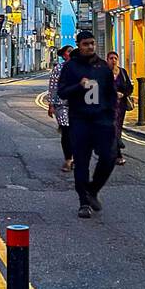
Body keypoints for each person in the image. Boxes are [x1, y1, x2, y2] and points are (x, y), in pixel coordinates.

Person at [56, 31, 120, 219]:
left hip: (102, 120)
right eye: (85, 44)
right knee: (82, 163)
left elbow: (110, 93)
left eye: (92, 43)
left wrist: (111, 117)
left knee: (109, 156)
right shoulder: (71, 67)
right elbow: (62, 92)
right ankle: (83, 202)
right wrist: (78, 86)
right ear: (78, 45)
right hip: (80, 121)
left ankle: (93, 190)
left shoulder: (103, 67)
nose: (90, 47)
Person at [46, 45, 74, 172]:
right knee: (66, 130)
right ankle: (68, 159)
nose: (72, 53)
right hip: (61, 104)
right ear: (64, 55)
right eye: (69, 51)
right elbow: (53, 87)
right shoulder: (58, 69)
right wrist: (51, 105)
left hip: (77, 105)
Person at [107, 51, 134, 165]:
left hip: (120, 106)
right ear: (107, 60)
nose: (113, 60)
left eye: (115, 58)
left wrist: (124, 94)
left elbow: (129, 87)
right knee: (113, 129)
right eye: (111, 58)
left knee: (118, 128)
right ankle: (118, 153)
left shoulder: (122, 72)